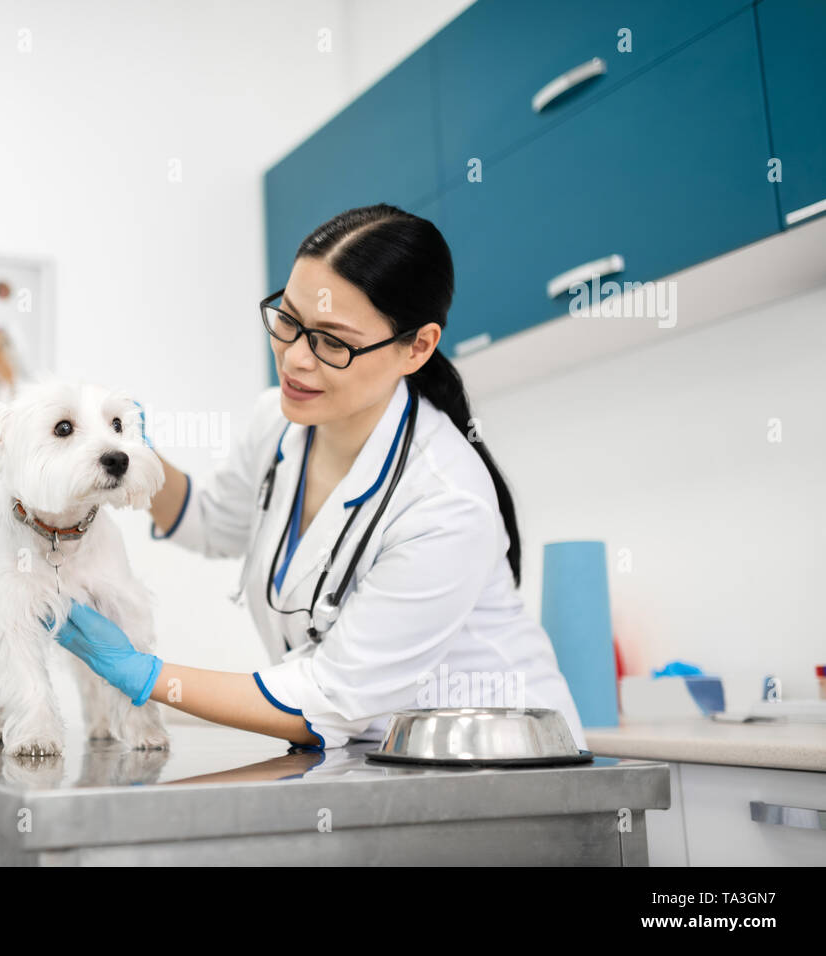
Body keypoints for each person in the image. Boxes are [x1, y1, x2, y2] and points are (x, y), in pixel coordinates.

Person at [50, 204, 587, 752]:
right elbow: (214, 523)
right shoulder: (278, 420)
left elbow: (330, 695)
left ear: (418, 346)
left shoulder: (447, 502)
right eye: (287, 320)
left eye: (333, 341)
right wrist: (130, 454)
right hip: (369, 756)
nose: (295, 359)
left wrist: (141, 674)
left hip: (496, 763)